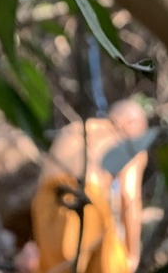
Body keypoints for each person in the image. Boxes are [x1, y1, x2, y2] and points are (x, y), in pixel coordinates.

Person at [27, 101, 149, 273]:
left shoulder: (76, 128)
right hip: (84, 196)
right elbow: (129, 196)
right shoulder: (128, 143)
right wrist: (133, 255)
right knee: (115, 266)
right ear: (131, 123)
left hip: (45, 198)